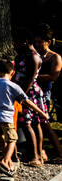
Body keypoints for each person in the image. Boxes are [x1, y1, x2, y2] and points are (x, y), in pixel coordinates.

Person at [12, 31, 46, 166]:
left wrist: (20, 96)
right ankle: (33, 153)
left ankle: (36, 155)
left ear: (26, 41)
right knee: (29, 123)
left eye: (17, 41)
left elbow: (30, 80)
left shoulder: (33, 57)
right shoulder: (24, 55)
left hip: (29, 93)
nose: (15, 44)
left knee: (29, 123)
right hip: (22, 90)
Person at [32, 24, 62, 160]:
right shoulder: (33, 54)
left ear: (48, 42)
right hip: (31, 92)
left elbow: (53, 76)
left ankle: (55, 151)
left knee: (43, 123)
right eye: (36, 41)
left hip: (45, 93)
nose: (37, 44)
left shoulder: (55, 57)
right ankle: (39, 150)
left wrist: (33, 76)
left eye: (40, 42)